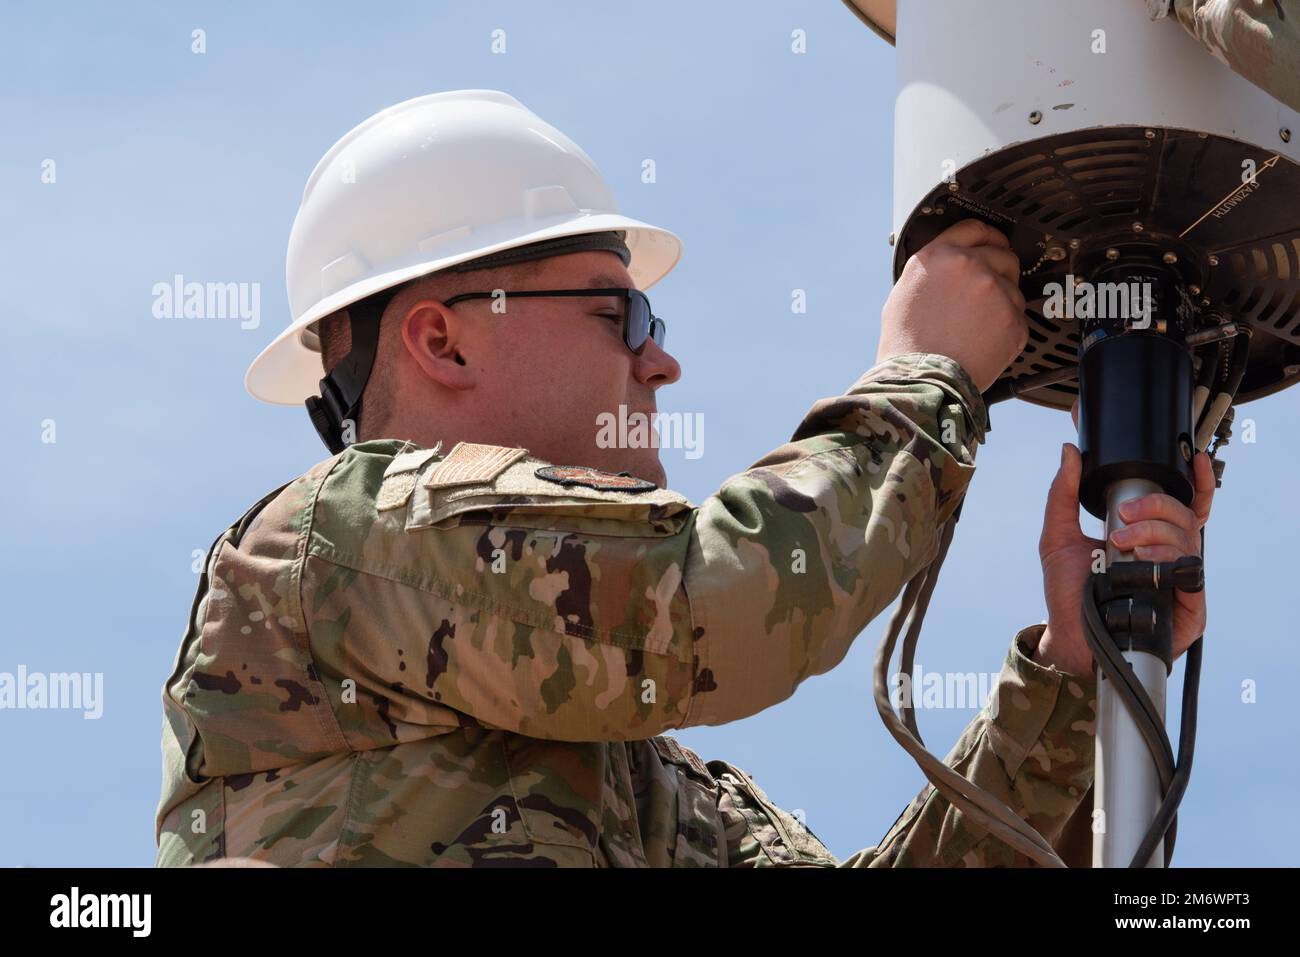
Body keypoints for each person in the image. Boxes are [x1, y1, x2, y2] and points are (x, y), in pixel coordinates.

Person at [155, 91, 1211, 867]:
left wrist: (1076, 679)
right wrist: (920, 381)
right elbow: (718, 603)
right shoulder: (326, 547)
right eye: (623, 316)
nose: (659, 361)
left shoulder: (628, 763)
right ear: (445, 340)